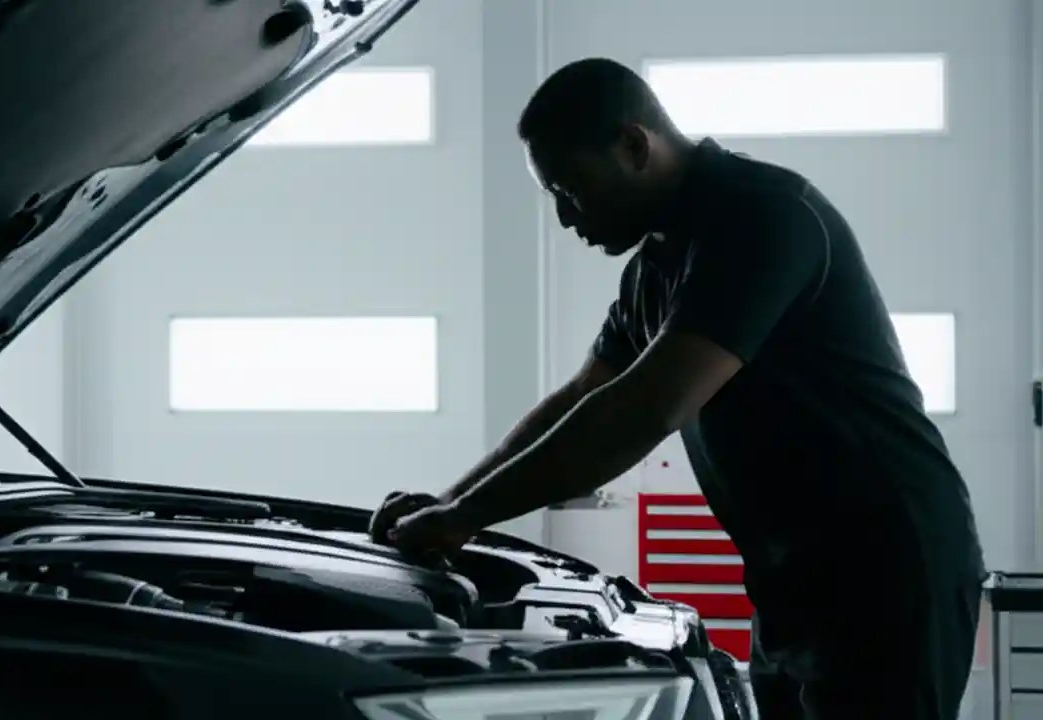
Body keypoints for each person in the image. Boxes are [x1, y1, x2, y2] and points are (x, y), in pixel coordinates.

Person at [369, 57, 986, 720]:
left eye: (571, 191)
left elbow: (646, 407)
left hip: (888, 570)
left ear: (635, 146)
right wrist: (450, 498)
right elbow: (583, 395)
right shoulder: (657, 265)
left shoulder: (761, 217)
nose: (565, 219)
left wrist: (465, 519)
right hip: (795, 584)